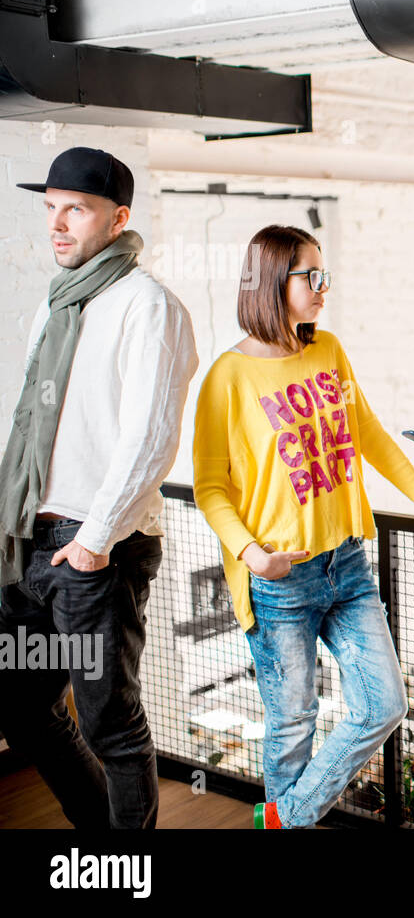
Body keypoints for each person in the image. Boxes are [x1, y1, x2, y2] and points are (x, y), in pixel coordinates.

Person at [192, 224, 414, 829]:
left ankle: (284, 817)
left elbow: (368, 432)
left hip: (347, 565)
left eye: (324, 275)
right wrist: (253, 555)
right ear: (275, 281)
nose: (324, 288)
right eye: (313, 276)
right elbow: (210, 486)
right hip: (279, 580)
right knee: (291, 726)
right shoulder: (227, 377)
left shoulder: (327, 348)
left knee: (384, 704)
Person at [0, 146, 199, 828]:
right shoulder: (54, 307)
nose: (57, 223)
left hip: (95, 551)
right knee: (21, 703)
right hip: (32, 543)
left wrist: (92, 543)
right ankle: (98, 835)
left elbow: (150, 438)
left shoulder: (149, 307)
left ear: (117, 219)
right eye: (51, 208)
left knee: (110, 724)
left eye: (75, 209)